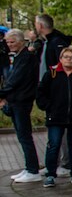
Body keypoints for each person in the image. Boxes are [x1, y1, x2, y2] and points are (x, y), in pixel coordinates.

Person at [35, 47, 72, 187]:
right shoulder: (52, 74)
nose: (69, 59)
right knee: (53, 144)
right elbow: (41, 93)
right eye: (66, 57)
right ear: (61, 59)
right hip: (56, 116)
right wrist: (48, 107)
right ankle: (50, 174)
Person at [0, 30, 42, 183]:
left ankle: (32, 170)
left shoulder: (26, 58)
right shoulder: (20, 57)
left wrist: (2, 93)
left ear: (20, 41)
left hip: (22, 101)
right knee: (21, 136)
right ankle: (29, 168)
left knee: (25, 136)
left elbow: (15, 80)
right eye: (8, 42)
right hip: (16, 100)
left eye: (12, 42)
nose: (9, 45)